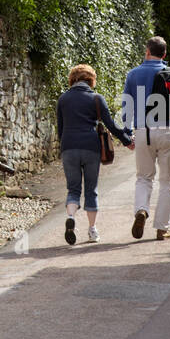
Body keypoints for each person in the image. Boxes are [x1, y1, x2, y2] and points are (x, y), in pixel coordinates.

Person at [122, 35, 170, 241]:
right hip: (167, 130)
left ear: (147, 52)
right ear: (164, 54)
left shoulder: (133, 74)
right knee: (167, 180)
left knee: (143, 177)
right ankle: (162, 228)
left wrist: (126, 133)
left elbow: (127, 105)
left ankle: (141, 209)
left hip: (142, 130)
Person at [56, 64, 134, 245]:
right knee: (91, 189)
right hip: (91, 147)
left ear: (72, 79)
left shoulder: (63, 99)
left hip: (68, 147)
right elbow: (111, 125)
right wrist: (127, 141)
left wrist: (65, 148)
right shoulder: (96, 99)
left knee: (73, 189)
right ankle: (92, 231)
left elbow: (60, 129)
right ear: (91, 80)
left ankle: (71, 218)